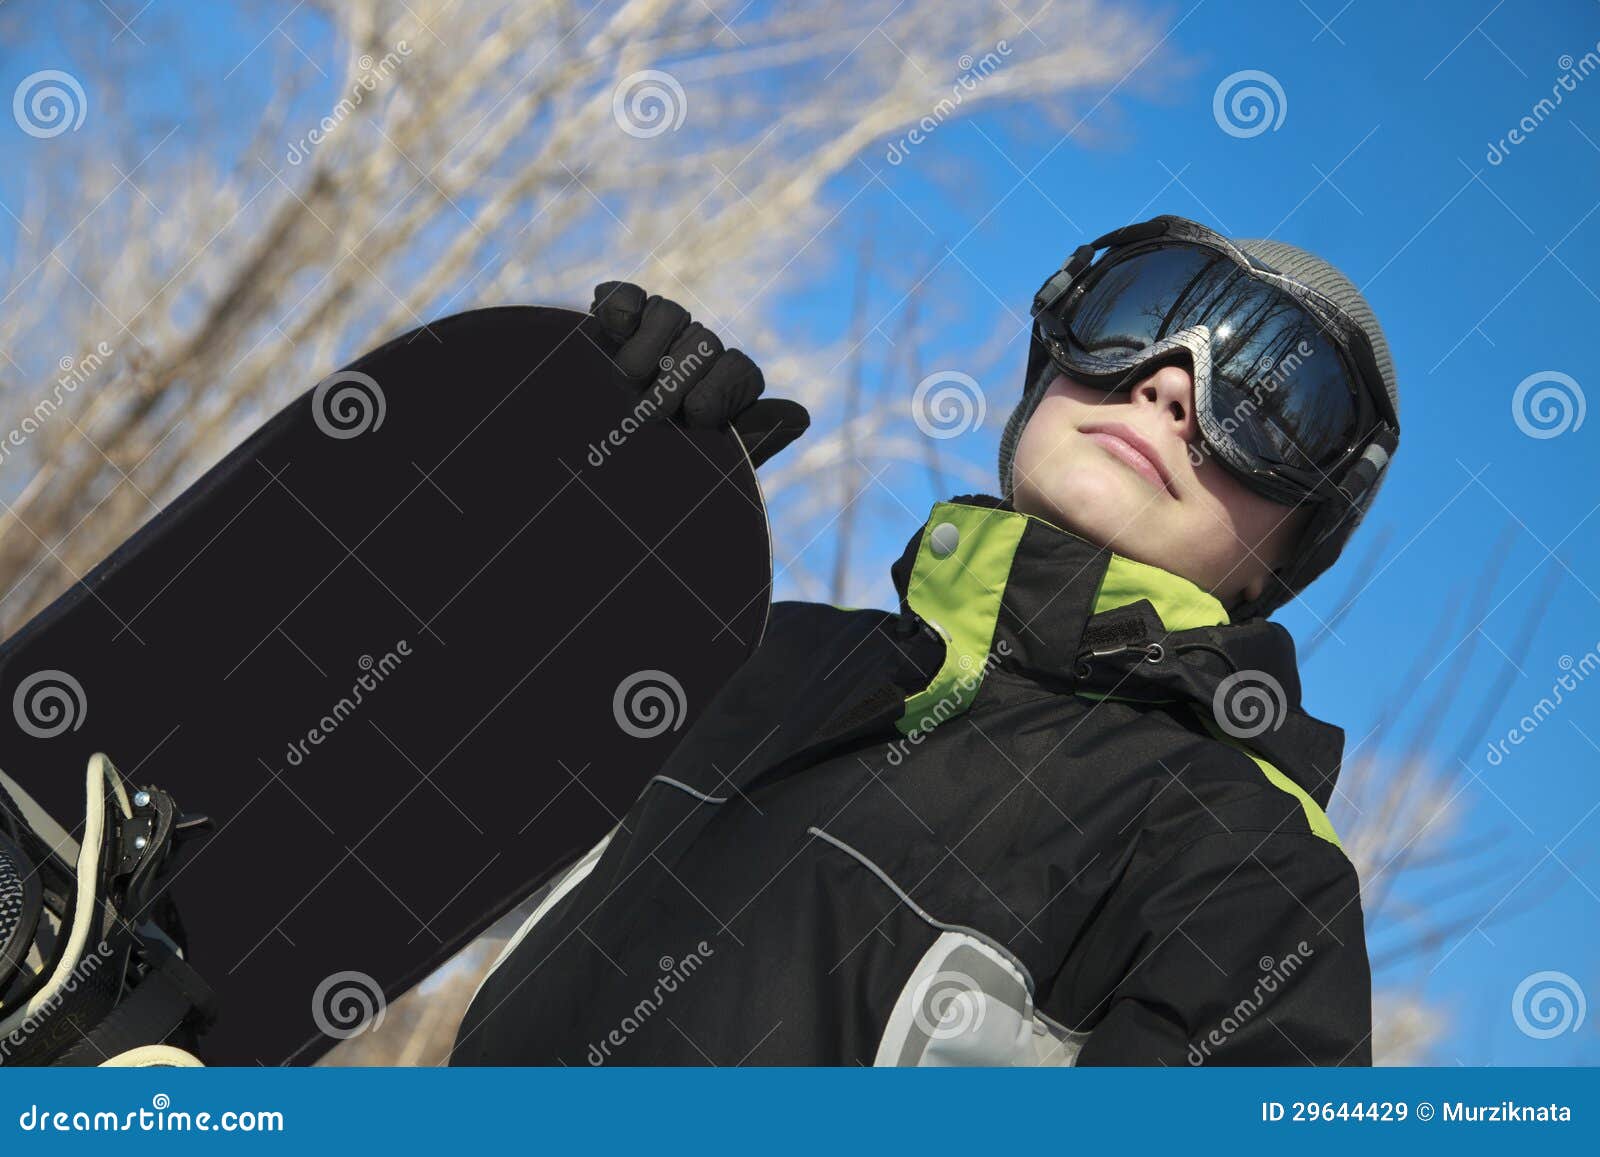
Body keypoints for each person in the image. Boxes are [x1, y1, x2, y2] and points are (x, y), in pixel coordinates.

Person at [451, 213, 1400, 1067]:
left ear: (1278, 559)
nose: (1169, 384)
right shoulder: (762, 654)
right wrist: (558, 540)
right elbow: (413, 826)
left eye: (1276, 408)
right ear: (1045, 378)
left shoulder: (1250, 863)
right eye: (1136, 315)